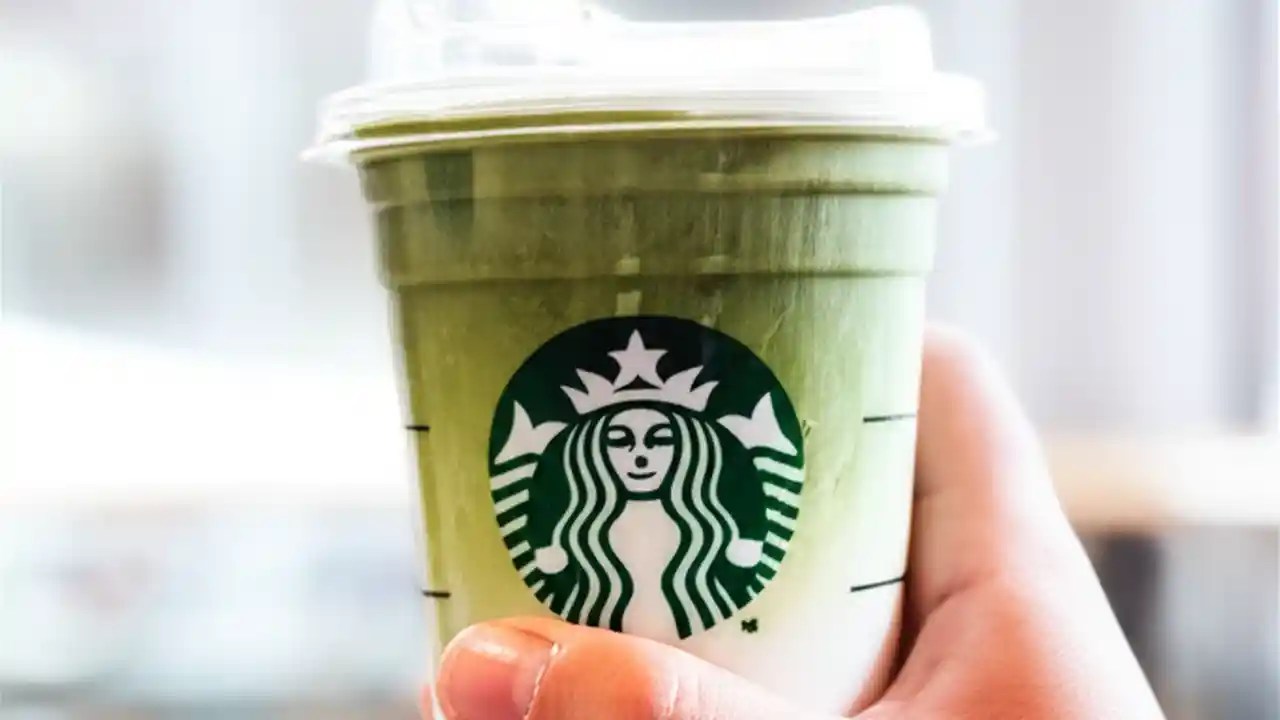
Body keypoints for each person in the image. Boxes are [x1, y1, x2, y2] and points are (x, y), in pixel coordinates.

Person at [428, 328, 1167, 719]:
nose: (640, 455)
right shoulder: (586, 540)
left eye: (660, 439)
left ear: (694, 449)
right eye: (619, 439)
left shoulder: (711, 539)